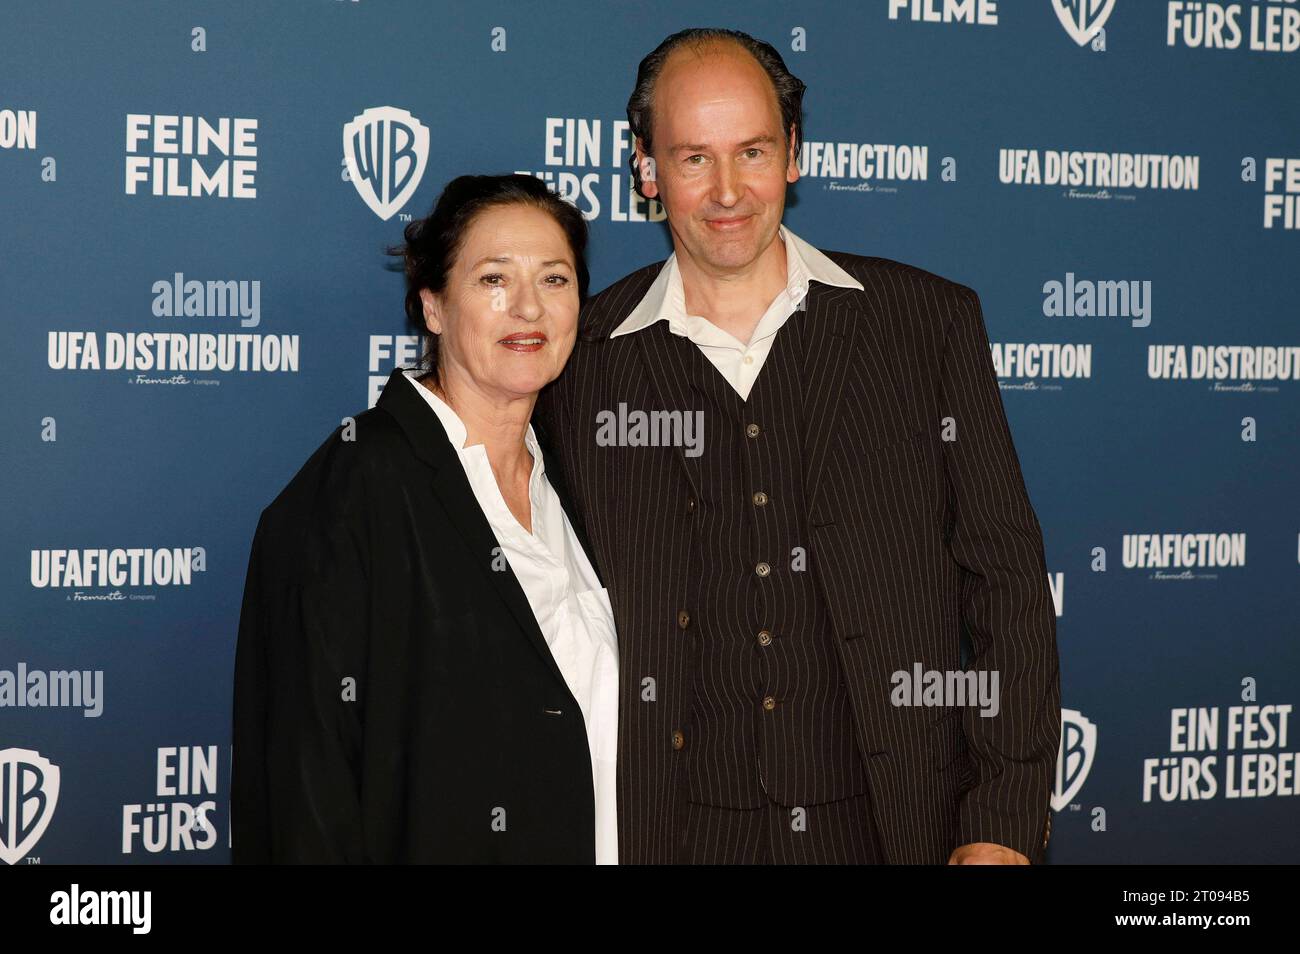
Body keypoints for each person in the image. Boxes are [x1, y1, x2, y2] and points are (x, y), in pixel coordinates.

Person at [533, 28, 1061, 864]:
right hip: (670, 834)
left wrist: (1001, 818)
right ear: (645, 168)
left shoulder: (925, 325)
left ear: (795, 155)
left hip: (899, 831)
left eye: (752, 151)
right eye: (693, 157)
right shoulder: (580, 363)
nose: (727, 190)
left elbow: (1007, 584)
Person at [232, 174, 618, 863]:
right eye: (494, 279)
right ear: (433, 305)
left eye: (555, 280)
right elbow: (303, 787)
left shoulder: (588, 482)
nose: (528, 306)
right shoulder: (354, 488)